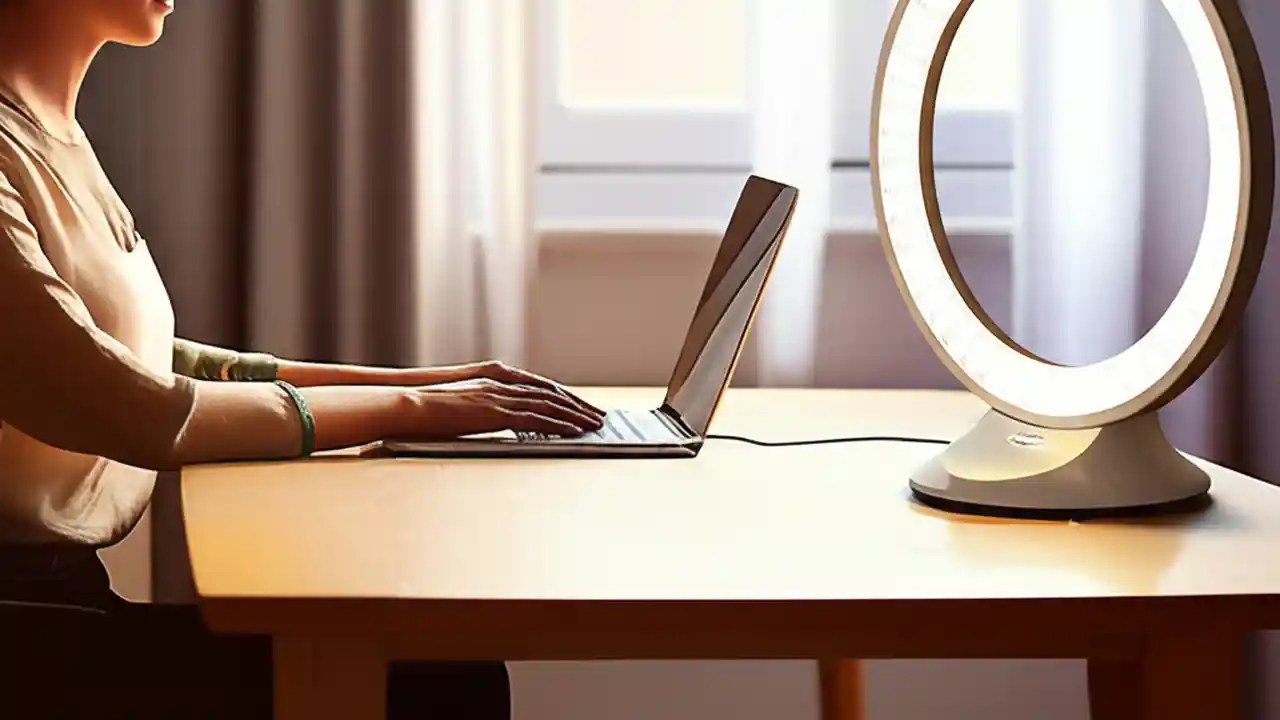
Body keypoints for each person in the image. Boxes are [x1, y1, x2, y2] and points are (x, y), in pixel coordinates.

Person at [0, 0, 606, 716]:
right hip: (28, 633)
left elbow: (156, 359)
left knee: (442, 670)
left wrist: (447, 384)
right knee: (444, 684)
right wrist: (421, 407)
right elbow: (138, 410)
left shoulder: (52, 131)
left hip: (65, 603)